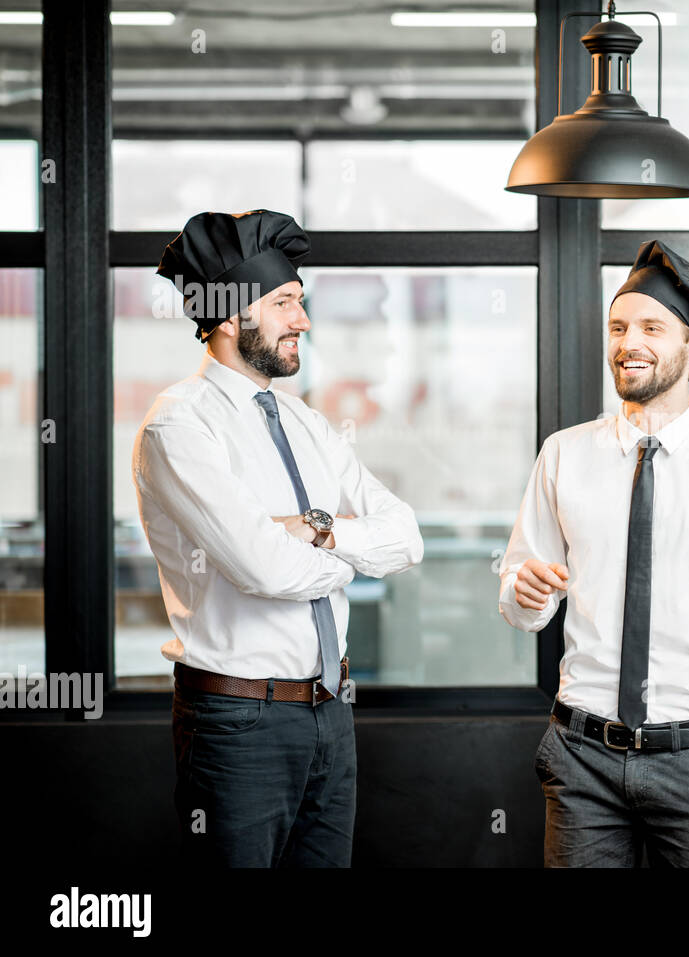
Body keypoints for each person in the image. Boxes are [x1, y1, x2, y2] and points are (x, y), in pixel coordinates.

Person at [131, 209, 423, 867]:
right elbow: (267, 571)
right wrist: (350, 552)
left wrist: (314, 529)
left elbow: (405, 536)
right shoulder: (179, 426)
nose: (304, 321)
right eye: (286, 302)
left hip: (330, 715)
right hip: (238, 725)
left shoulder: (307, 422)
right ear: (232, 316)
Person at [498, 239, 689, 867]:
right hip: (580, 757)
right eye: (618, 326)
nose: (628, 341)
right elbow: (524, 601)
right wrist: (522, 595)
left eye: (651, 327)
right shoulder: (563, 453)